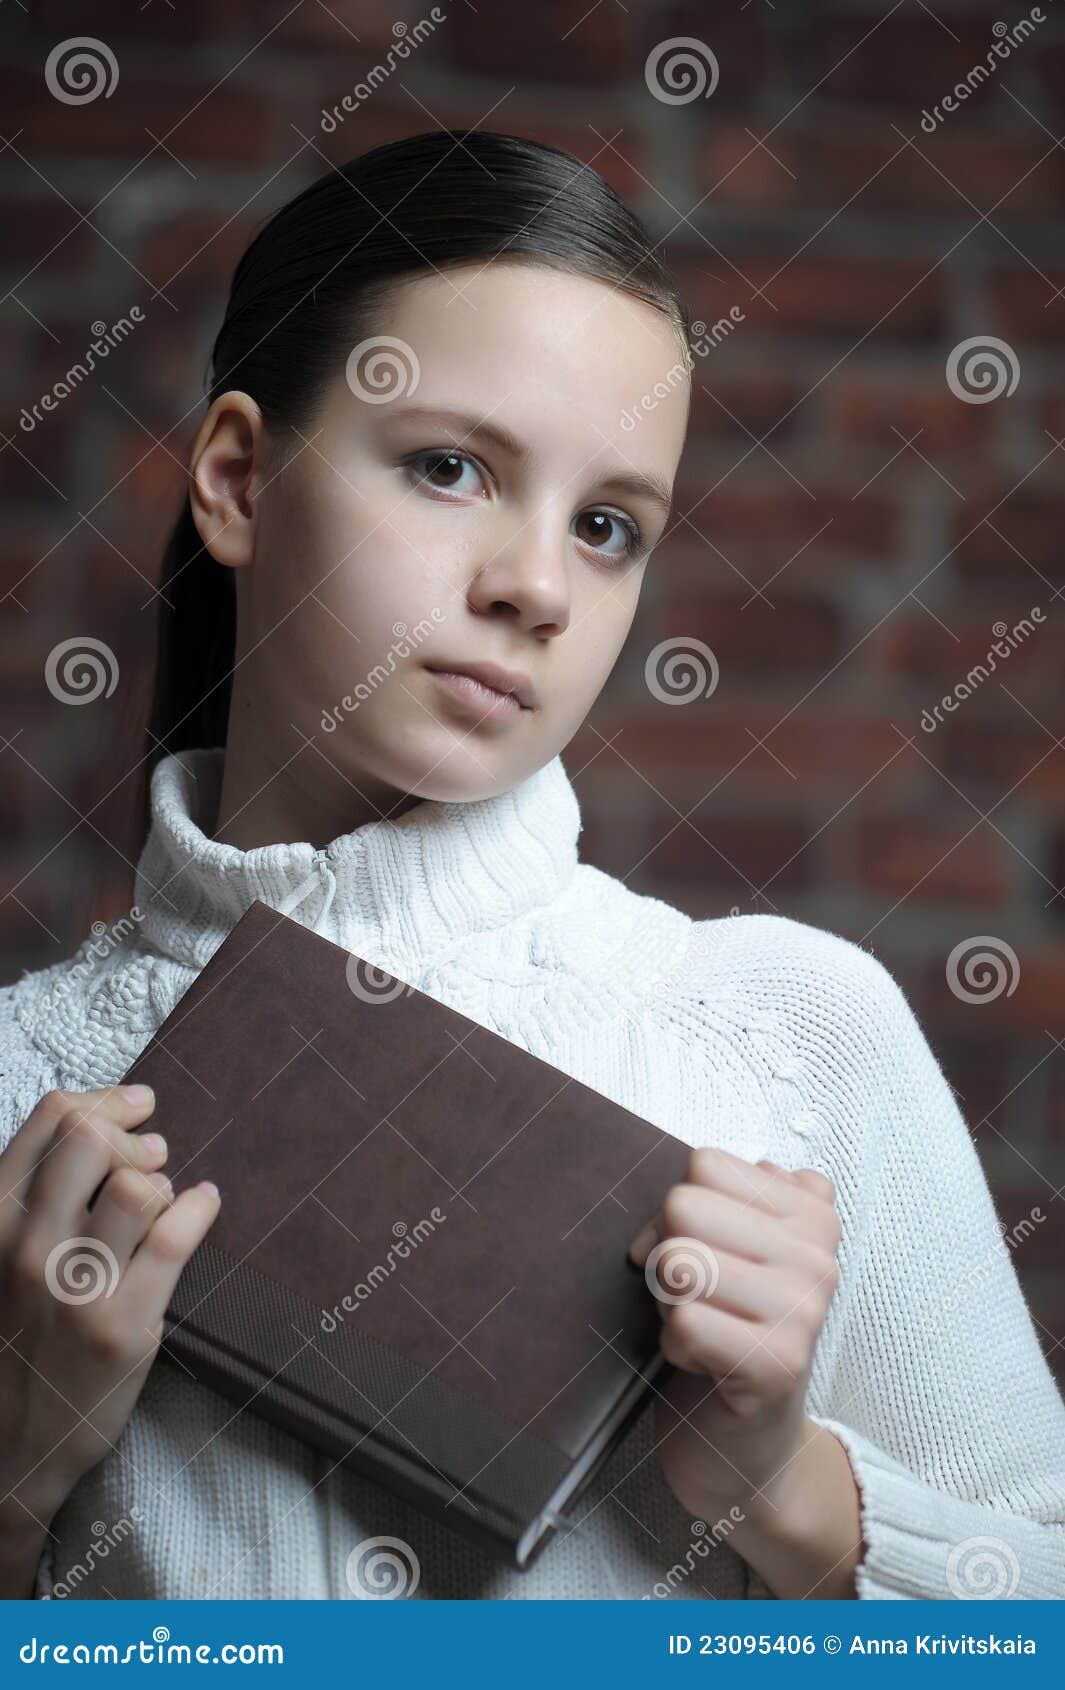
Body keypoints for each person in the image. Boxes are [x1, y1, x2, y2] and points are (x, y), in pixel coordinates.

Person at [1, 129, 1063, 1603]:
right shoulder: (18, 1088)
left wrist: (788, 1489)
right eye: (449, 467)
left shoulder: (791, 1030)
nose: (538, 587)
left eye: (608, 526)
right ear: (238, 479)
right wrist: (17, 1460)